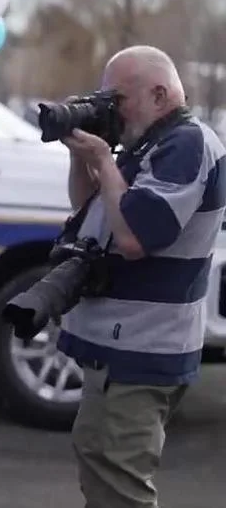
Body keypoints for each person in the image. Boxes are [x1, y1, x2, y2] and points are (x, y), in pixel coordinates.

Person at [57, 45, 225, 508]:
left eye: (118, 99)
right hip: (120, 347)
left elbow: (134, 236)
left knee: (118, 486)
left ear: (158, 94)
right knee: (99, 464)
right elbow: (86, 206)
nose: (111, 110)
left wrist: (106, 162)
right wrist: (83, 156)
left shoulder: (187, 143)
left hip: (142, 348)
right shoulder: (147, 142)